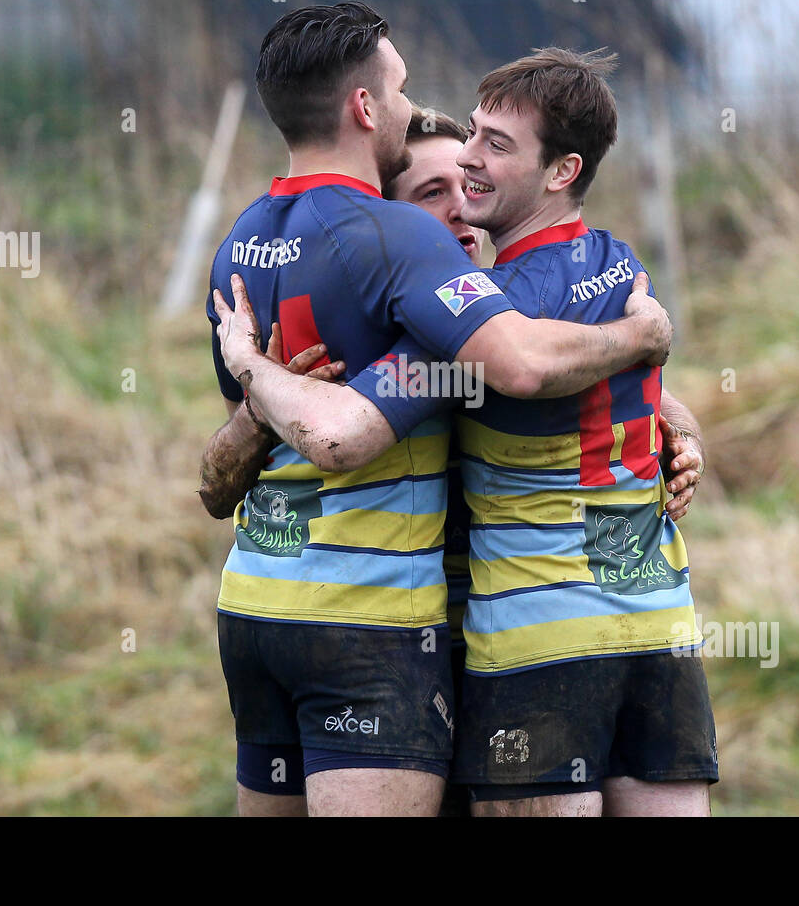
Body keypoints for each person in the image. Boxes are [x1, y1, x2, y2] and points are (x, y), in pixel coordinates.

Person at [214, 49, 718, 817]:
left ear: (560, 171)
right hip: (554, 637)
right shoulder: (599, 275)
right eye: (432, 191)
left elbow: (534, 372)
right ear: (387, 222)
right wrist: (655, 373)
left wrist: (249, 364)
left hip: (511, 649)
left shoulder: (480, 329)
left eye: (486, 157)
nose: (461, 200)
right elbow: (325, 439)